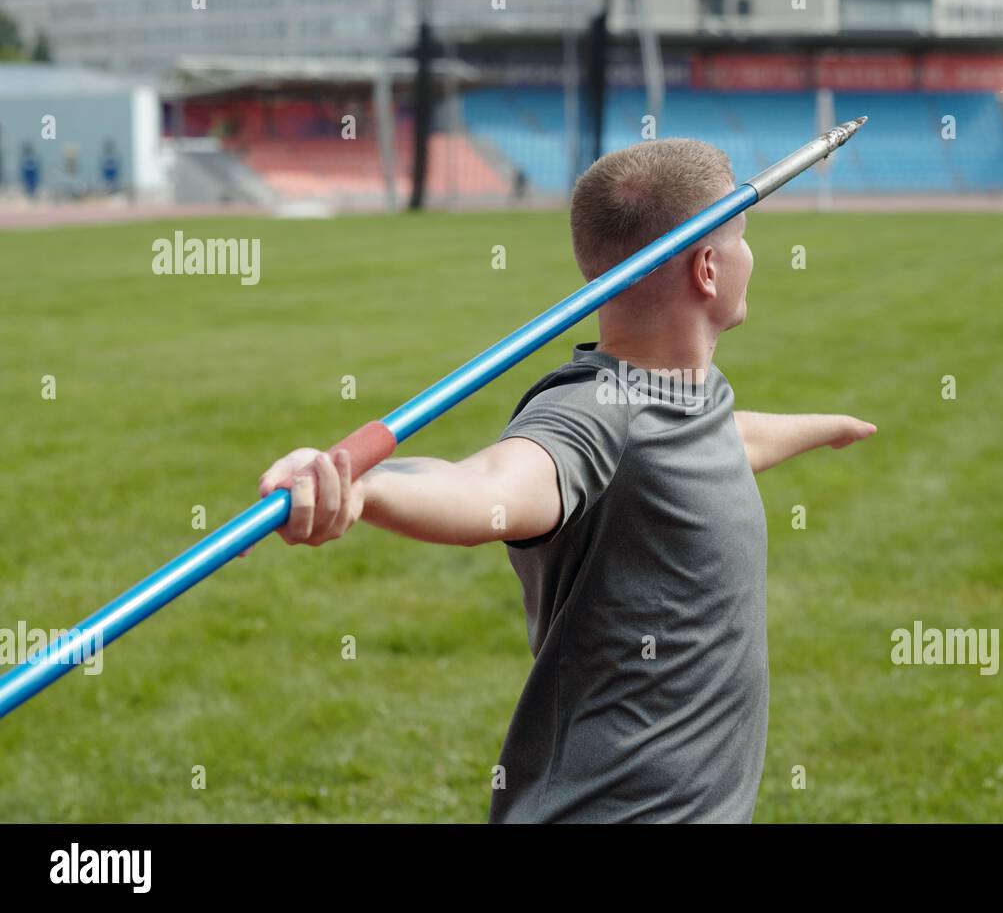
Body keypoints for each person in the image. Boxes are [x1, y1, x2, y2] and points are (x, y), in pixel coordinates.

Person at [258, 138, 875, 822]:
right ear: (707, 268)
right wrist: (361, 485)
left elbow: (715, 446)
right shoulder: (591, 412)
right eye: (743, 237)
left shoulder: (681, 397)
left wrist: (823, 426)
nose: (751, 257)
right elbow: (491, 487)